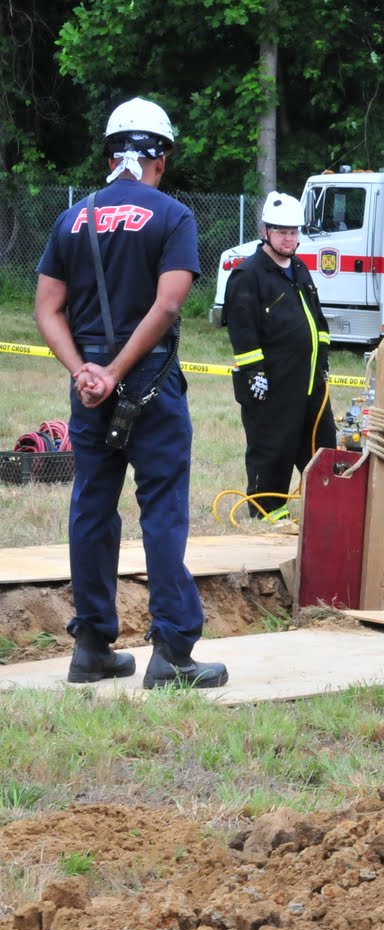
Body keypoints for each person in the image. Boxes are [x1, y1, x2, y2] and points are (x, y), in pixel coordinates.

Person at [34, 96, 227, 688]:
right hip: (151, 388)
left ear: (111, 153)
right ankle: (172, 652)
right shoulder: (172, 216)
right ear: (160, 157)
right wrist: (119, 371)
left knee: (92, 508)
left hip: (89, 391)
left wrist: (85, 371)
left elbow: (47, 308)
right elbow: (168, 303)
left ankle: (91, 646)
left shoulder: (73, 218)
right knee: (162, 511)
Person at [223, 191, 334, 522]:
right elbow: (242, 332)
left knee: (323, 446)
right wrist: (254, 371)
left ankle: (328, 511)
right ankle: (267, 512)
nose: (289, 238)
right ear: (266, 232)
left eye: (294, 232)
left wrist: (323, 359)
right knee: (273, 448)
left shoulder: (299, 269)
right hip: (271, 384)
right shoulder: (248, 275)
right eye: (283, 231)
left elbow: (317, 322)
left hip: (310, 382)